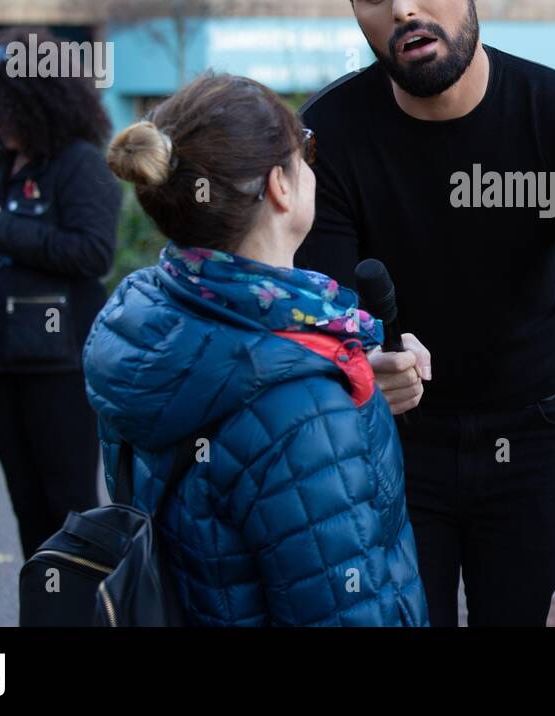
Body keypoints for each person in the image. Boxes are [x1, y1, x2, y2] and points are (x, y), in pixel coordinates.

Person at [296, 0, 555, 627]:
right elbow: (317, 323)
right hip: (391, 442)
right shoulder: (329, 136)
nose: (405, 8)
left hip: (539, 440)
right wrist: (360, 362)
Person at [85, 72, 427, 626]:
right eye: (306, 150)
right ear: (280, 186)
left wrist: (348, 386)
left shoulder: (150, 329)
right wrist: (332, 408)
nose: (313, 166)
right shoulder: (301, 406)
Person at [0, 30, 121, 560]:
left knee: (69, 508)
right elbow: (4, 258)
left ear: (38, 103)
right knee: (27, 506)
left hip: (58, 366)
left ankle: (83, 614)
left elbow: (91, 255)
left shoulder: (81, 164)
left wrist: (1, 227)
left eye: (4, 109)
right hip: (4, 363)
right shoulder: (6, 166)